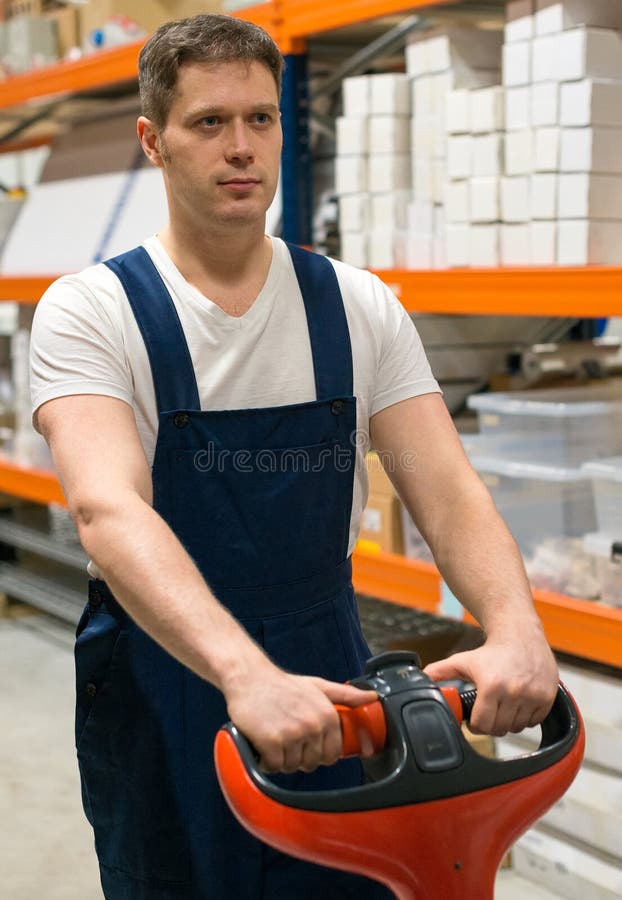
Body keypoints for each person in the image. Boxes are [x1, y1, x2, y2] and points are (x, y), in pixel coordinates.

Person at [30, 13, 558, 900]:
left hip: (328, 663)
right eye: (209, 122)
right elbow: (107, 510)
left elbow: (448, 491)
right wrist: (246, 676)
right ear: (153, 142)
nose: (241, 147)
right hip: (164, 670)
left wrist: (516, 627)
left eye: (261, 119)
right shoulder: (92, 311)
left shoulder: (357, 305)